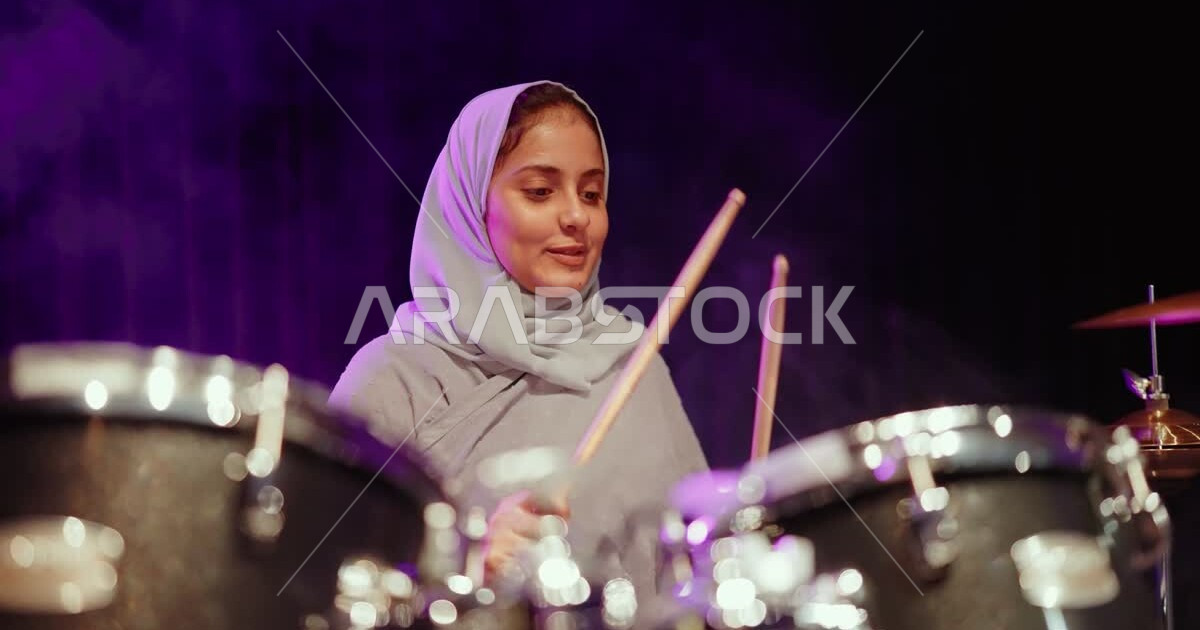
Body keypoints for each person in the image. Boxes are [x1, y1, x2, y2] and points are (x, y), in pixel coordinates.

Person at [328, 80, 708, 601]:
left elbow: (694, 574)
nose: (576, 216)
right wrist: (461, 570)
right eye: (540, 191)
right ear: (469, 207)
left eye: (592, 193)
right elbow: (328, 592)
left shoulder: (632, 364)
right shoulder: (391, 382)